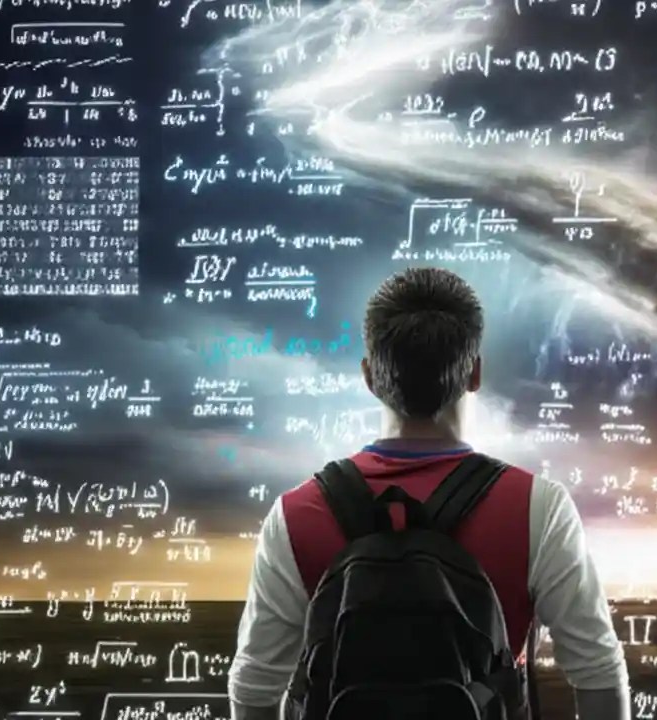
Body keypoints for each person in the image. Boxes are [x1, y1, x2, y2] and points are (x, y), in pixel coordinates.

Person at [228, 267, 631, 720]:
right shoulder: (537, 507)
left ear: (370, 377)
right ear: (475, 373)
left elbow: (255, 690)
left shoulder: (296, 515)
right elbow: (597, 676)